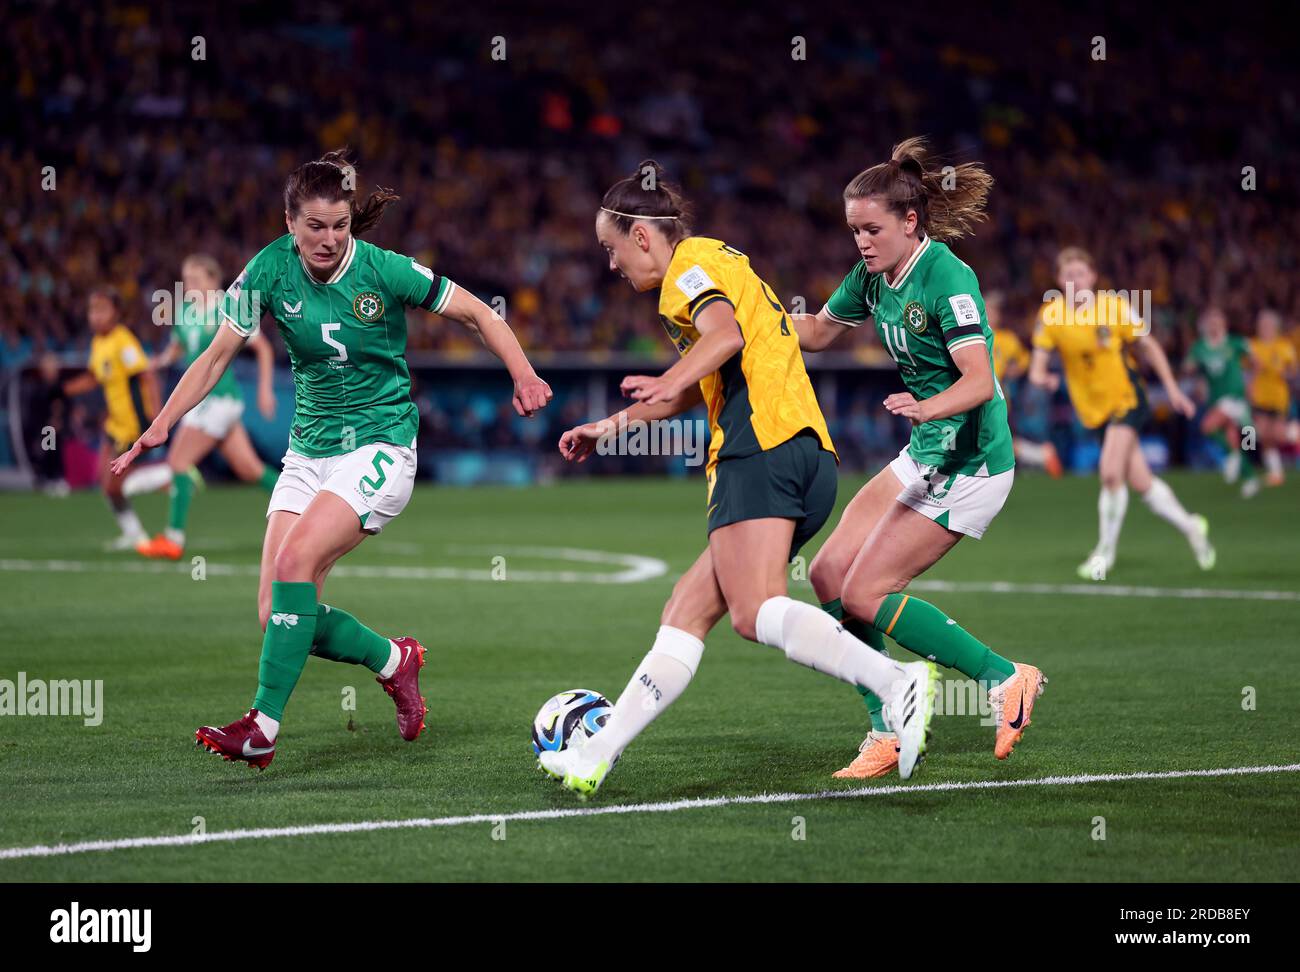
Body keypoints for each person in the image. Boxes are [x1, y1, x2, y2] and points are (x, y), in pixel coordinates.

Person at [112, 150, 553, 769]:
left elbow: (479, 314)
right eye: (314, 226)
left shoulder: (384, 270)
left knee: (295, 563)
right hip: (307, 451)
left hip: (382, 444)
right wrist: (161, 424)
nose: (327, 239)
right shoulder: (267, 269)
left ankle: (262, 728)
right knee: (277, 612)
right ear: (289, 222)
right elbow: (215, 357)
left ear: (352, 223)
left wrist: (524, 374)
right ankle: (394, 660)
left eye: (339, 225)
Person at [541, 160, 937, 799]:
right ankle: (597, 755)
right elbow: (700, 378)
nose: (611, 265)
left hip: (759, 450)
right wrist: (611, 425)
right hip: (806, 455)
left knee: (753, 613)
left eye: (610, 248)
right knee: (686, 610)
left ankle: (894, 683)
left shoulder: (687, 271)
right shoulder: (725, 264)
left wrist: (669, 379)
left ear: (642, 235)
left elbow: (721, 338)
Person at [792, 138, 1045, 779]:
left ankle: (1004, 677)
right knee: (826, 576)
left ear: (910, 222)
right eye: (854, 231)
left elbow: (979, 381)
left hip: (971, 462)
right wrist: (746, 317)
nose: (862, 243)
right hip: (928, 450)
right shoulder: (874, 279)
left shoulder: (948, 277)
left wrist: (929, 408)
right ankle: (887, 729)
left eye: (872, 229)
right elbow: (817, 334)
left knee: (867, 591)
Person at [1029, 247, 1211, 580]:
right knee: (1141, 483)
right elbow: (1036, 370)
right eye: (1068, 275)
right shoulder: (1051, 316)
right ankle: (1191, 527)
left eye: (1081, 274)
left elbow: (1149, 346)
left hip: (1127, 398)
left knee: (1111, 474)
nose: (1075, 281)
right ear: (1058, 280)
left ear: (1092, 277)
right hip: (1093, 411)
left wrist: (1172, 390)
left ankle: (1103, 556)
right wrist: (1045, 378)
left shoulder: (1114, 307)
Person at [125, 253, 280, 558]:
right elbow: (177, 349)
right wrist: (156, 362)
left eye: (197, 280)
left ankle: (173, 539)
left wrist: (265, 390)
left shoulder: (229, 305)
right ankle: (305, 505)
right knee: (250, 470)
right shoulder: (184, 311)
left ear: (214, 280)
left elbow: (262, 348)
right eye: (186, 280)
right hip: (207, 404)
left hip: (218, 401)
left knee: (179, 463)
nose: (190, 286)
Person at [62, 288, 162, 548]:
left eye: (102, 310)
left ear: (116, 313)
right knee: (102, 480)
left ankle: (169, 474)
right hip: (114, 423)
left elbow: (147, 376)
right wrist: (63, 390)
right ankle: (134, 534)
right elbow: (95, 377)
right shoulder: (98, 343)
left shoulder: (123, 341)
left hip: (130, 424)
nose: (95, 316)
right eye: (92, 310)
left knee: (114, 486)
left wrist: (158, 416)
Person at [1184, 307, 1258, 497]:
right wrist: (1195, 374)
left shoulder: (1234, 342)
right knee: (1231, 437)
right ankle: (1250, 477)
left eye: (1217, 321)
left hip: (1234, 396)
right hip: (1215, 399)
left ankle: (1233, 458)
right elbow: (1189, 367)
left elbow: (1255, 360)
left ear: (1224, 323)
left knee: (1207, 426)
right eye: (1210, 321)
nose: (1214, 324)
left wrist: (1252, 382)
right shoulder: (1200, 347)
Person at [987, 289, 1062, 477]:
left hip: (995, 397)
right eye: (989, 310)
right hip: (976, 396)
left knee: (988, 442)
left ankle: (1041, 455)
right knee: (988, 443)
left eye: (995, 311)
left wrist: (1012, 371)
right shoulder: (973, 335)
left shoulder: (1006, 339)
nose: (992, 315)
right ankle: (1041, 455)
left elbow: (1025, 360)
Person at [1247, 308, 1297, 486]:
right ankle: (1276, 474)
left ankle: (1295, 432)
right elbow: (1244, 369)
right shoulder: (1251, 345)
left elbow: (1293, 373)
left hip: (1278, 397)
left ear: (1276, 326)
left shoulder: (1284, 346)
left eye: (1268, 324)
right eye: (1261, 324)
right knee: (1261, 435)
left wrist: (1285, 374)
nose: (1264, 327)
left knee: (1278, 434)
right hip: (1258, 396)